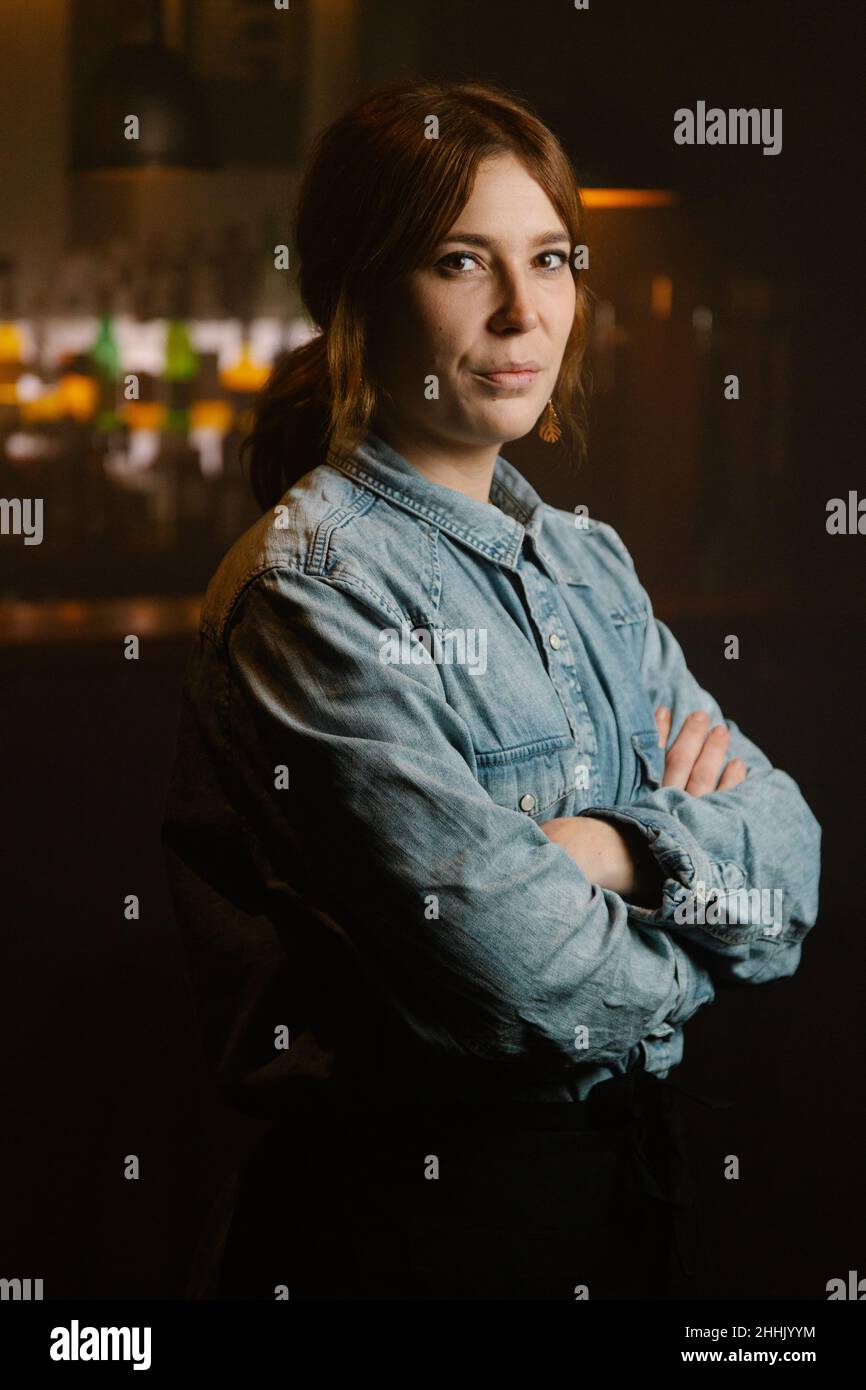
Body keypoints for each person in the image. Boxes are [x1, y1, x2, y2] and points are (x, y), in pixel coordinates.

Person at [160, 78, 821, 1300]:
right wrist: (689, 932)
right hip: (410, 1243)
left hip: (629, 1212)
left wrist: (606, 850)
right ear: (359, 289)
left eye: (552, 259)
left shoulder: (587, 562)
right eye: (463, 262)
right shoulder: (307, 594)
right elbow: (506, 964)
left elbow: (790, 867)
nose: (524, 312)